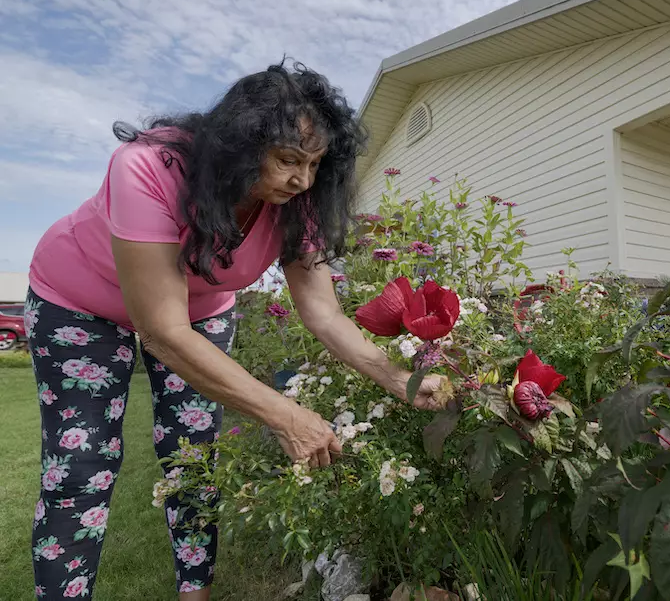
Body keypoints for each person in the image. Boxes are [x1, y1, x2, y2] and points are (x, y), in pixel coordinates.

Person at [23, 61, 443, 601]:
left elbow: (323, 312)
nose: (303, 180)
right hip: (78, 303)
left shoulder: (300, 202)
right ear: (241, 146)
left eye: (315, 164)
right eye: (289, 160)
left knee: (193, 455)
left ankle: (195, 594)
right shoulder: (147, 168)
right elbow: (162, 330)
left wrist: (401, 378)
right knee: (82, 464)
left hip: (198, 310)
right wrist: (286, 414)